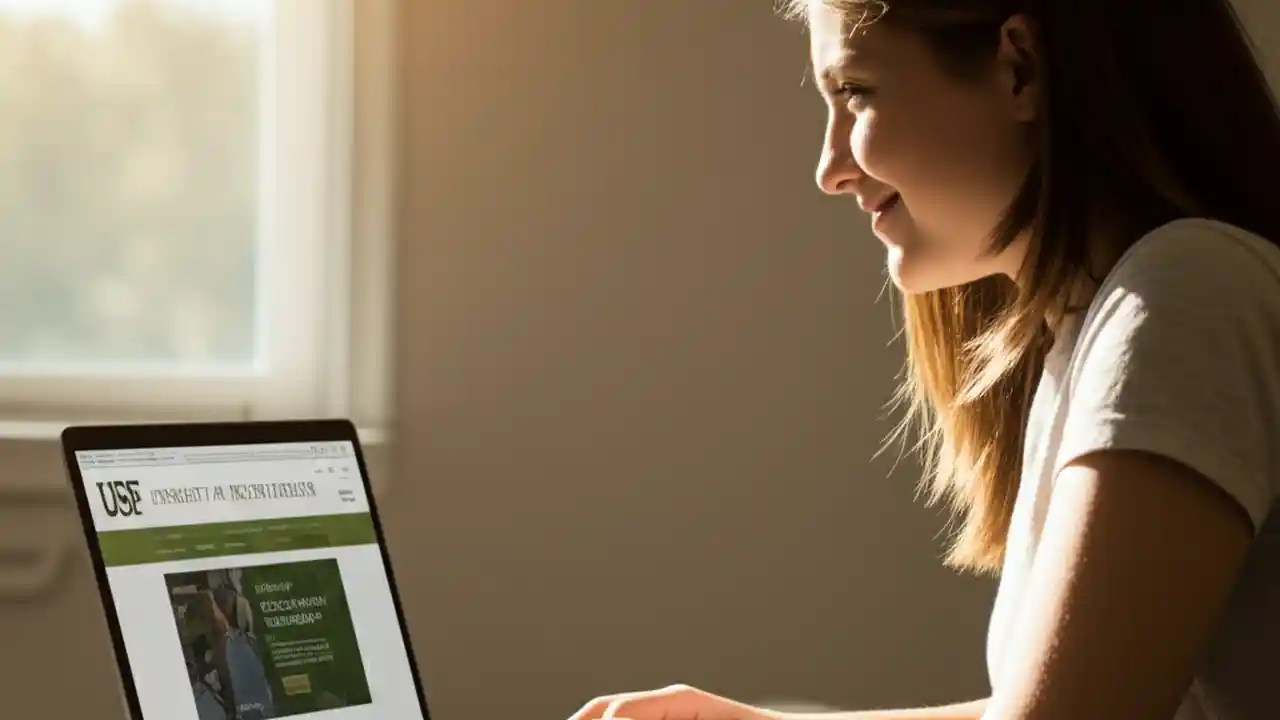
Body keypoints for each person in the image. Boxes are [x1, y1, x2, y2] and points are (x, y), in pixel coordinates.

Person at [569, 0, 1280, 718]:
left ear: (1019, 69)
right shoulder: (1104, 328)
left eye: (856, 94)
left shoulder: (1186, 296)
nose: (829, 168)